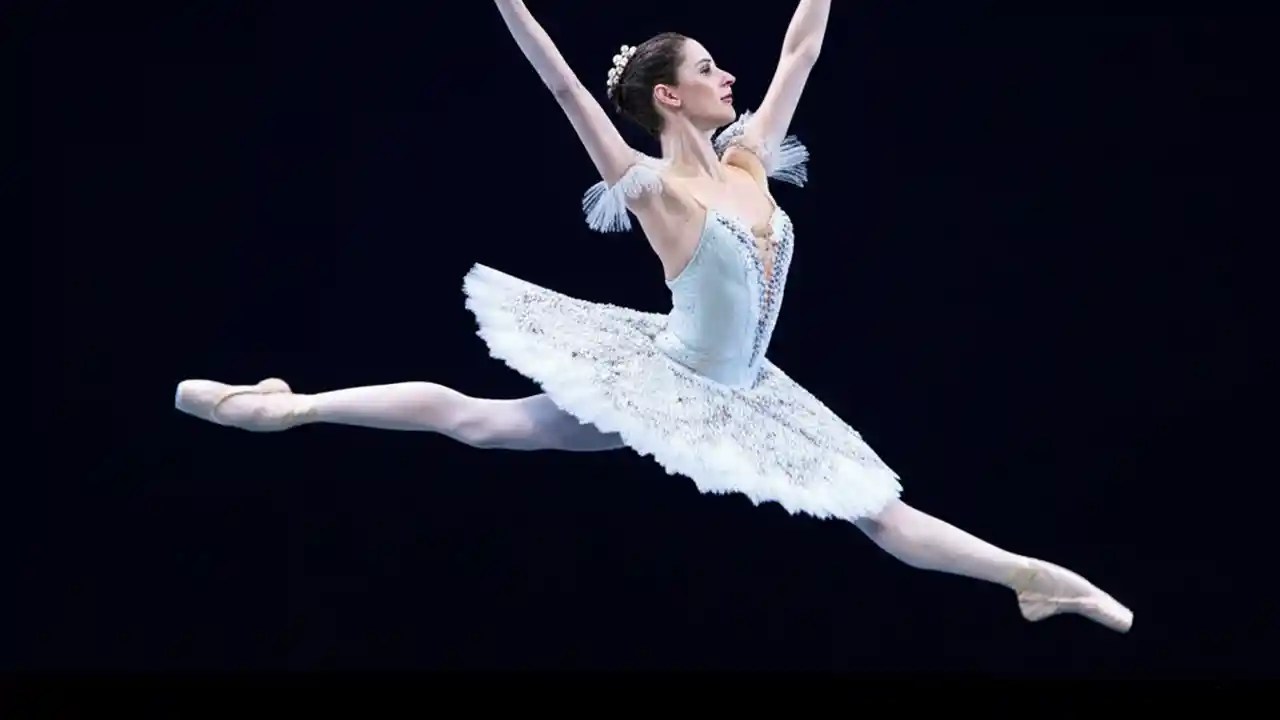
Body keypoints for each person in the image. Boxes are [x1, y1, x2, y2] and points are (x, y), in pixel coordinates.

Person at [175, 0, 1133, 633]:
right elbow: (558, 84)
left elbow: (805, 43)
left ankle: (1030, 578)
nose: (733, 77)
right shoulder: (654, 189)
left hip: (748, 391)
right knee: (478, 419)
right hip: (662, 382)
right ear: (669, 95)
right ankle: (289, 404)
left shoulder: (750, 157)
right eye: (712, 68)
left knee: (874, 507)